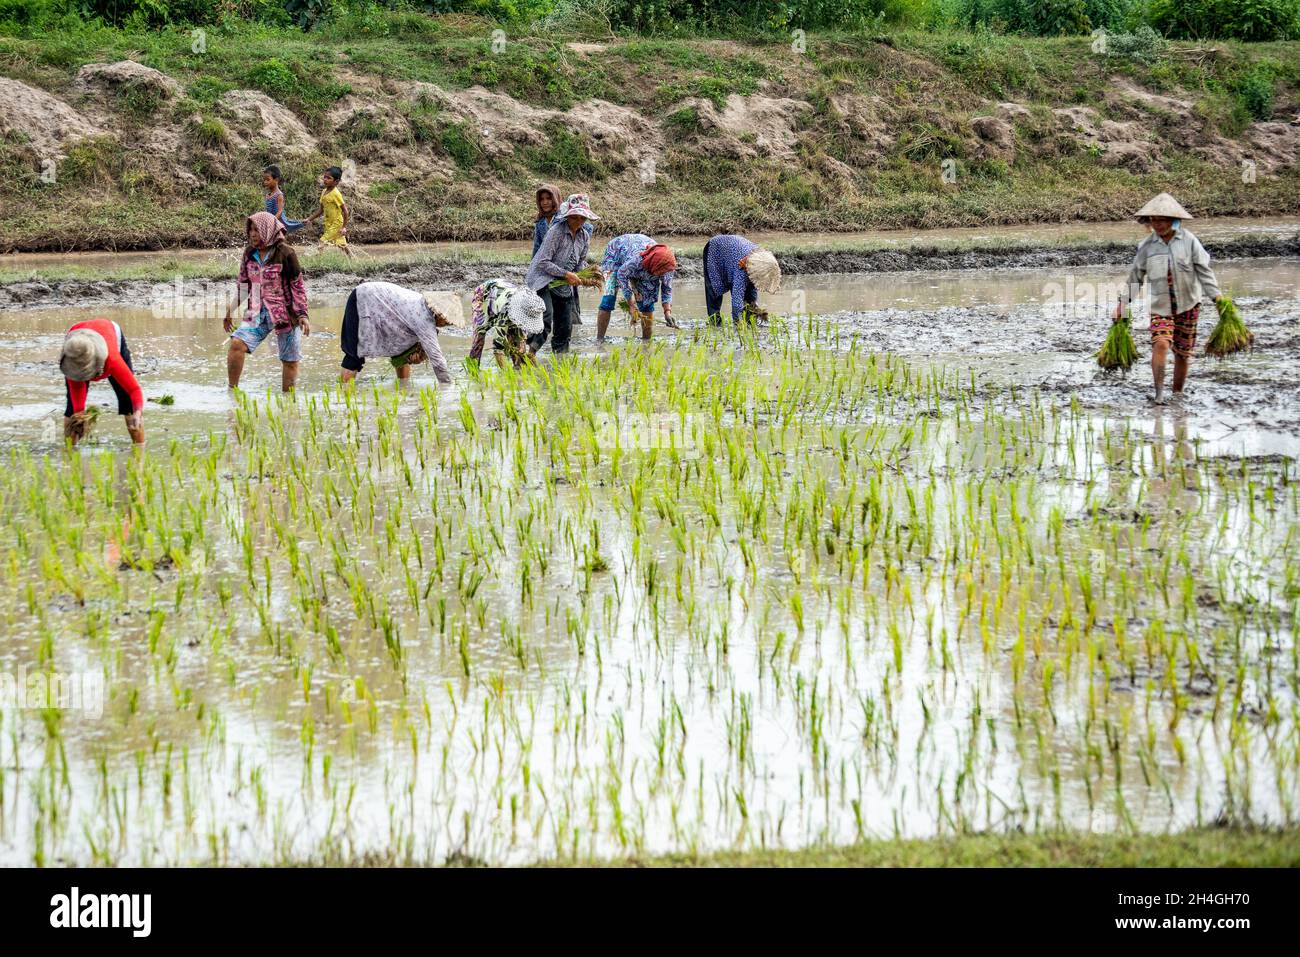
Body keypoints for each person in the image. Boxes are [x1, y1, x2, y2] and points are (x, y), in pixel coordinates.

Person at [1113, 192, 1223, 405]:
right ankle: (1159, 393)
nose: (1157, 224)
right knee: (1161, 343)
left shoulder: (1189, 241)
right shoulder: (1146, 247)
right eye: (1154, 220)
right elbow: (1135, 277)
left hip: (1189, 304)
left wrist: (1217, 298)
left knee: (1182, 353)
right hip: (1161, 307)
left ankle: (1178, 393)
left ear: (1174, 220)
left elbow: (1204, 271)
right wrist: (1122, 305)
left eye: (1162, 220)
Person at [224, 211, 311, 392]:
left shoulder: (286, 253)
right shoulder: (249, 253)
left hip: (285, 314)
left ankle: (288, 404)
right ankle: (232, 392)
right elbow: (243, 285)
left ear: (268, 230)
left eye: (257, 230)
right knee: (236, 344)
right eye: (251, 230)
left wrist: (302, 314)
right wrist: (230, 310)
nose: (253, 234)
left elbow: (297, 286)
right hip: (256, 312)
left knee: (290, 361)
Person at [523, 193, 602, 356]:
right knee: (545, 317)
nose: (579, 221)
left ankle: (560, 359)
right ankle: (529, 354)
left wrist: (589, 274)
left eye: (583, 218)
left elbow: (580, 262)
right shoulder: (556, 232)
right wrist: (567, 274)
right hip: (542, 279)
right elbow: (543, 262)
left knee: (565, 325)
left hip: (563, 282)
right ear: (568, 216)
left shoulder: (584, 236)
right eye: (575, 217)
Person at [339, 281, 460, 386]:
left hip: (381, 306)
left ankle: (403, 388)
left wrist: (416, 354)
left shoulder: (421, 303)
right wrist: (448, 387)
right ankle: (345, 400)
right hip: (363, 300)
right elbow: (438, 361)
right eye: (446, 322)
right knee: (353, 355)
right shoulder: (424, 318)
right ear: (439, 314)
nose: (445, 325)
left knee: (403, 351)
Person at [60, 318, 144, 446]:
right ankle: (70, 454)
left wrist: (138, 413)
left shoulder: (112, 359)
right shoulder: (72, 359)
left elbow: (134, 390)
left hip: (108, 332)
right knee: (73, 414)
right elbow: (77, 395)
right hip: (77, 340)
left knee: (128, 405)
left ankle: (139, 452)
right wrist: (80, 418)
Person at [596, 233, 677, 342]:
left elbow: (667, 289)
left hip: (647, 265)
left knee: (647, 304)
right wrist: (631, 304)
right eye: (659, 273)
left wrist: (667, 312)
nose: (660, 275)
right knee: (608, 299)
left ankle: (646, 342)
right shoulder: (636, 261)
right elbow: (621, 274)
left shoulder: (667, 266)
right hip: (616, 255)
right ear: (654, 267)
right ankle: (599, 340)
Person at [533, 184, 590, 326]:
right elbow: (537, 250)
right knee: (547, 310)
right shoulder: (542, 223)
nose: (545, 202)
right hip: (547, 270)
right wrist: (534, 271)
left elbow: (580, 247)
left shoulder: (567, 220)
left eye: (549, 199)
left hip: (567, 270)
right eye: (542, 199)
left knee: (569, 304)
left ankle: (571, 327)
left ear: (556, 200)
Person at [702, 234, 782, 325]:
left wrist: (755, 310)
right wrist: (738, 324)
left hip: (732, 251)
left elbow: (752, 292)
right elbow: (737, 301)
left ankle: (750, 321)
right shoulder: (742, 269)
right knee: (714, 288)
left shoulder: (760, 261)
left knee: (750, 296)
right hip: (715, 249)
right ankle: (715, 323)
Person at [467, 279, 545, 370]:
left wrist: (523, 359)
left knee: (518, 343)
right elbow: (497, 347)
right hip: (485, 295)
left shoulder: (530, 307)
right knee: (480, 333)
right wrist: (506, 373)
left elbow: (521, 340)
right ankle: (472, 370)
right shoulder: (505, 311)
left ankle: (517, 368)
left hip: (506, 293)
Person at [307, 165, 351, 257]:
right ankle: (352, 259)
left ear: (336, 181)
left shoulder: (336, 194)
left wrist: (344, 227)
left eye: (328, 178)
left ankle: (319, 261)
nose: (325, 180)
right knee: (341, 244)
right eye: (324, 177)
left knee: (322, 241)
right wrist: (309, 219)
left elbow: (345, 210)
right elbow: (321, 210)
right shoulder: (323, 192)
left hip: (336, 223)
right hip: (328, 223)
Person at [262, 164, 304, 234]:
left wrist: (272, 221)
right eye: (264, 180)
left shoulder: (279, 195)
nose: (265, 182)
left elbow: (280, 211)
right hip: (272, 220)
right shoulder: (268, 195)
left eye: (268, 180)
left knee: (291, 226)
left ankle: (305, 224)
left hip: (279, 220)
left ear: (276, 180)